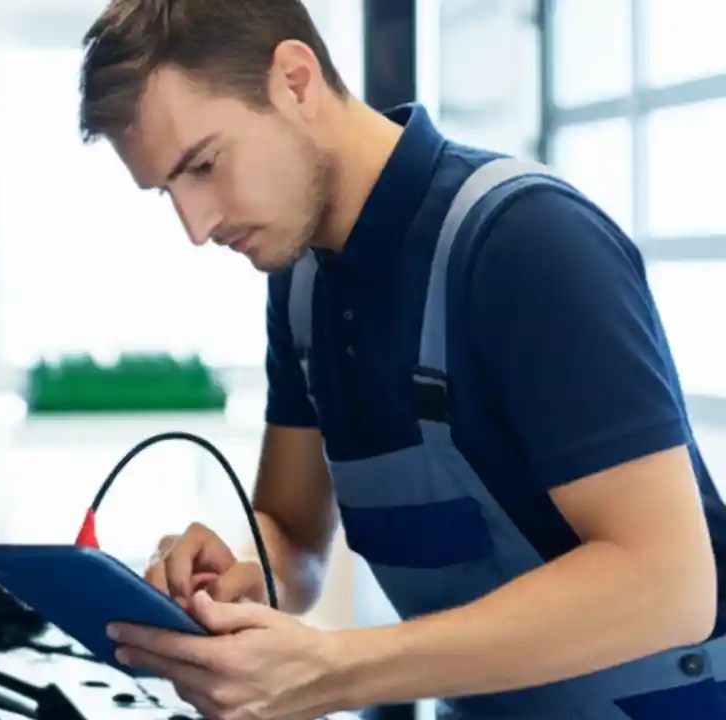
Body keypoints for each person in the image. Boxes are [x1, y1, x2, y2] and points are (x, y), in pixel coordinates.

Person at [75, 1, 726, 718]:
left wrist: (333, 670)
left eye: (203, 165)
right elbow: (294, 535)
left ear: (295, 81)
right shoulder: (300, 283)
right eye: (167, 192)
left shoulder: (528, 242)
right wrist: (241, 575)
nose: (196, 227)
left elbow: (669, 585)